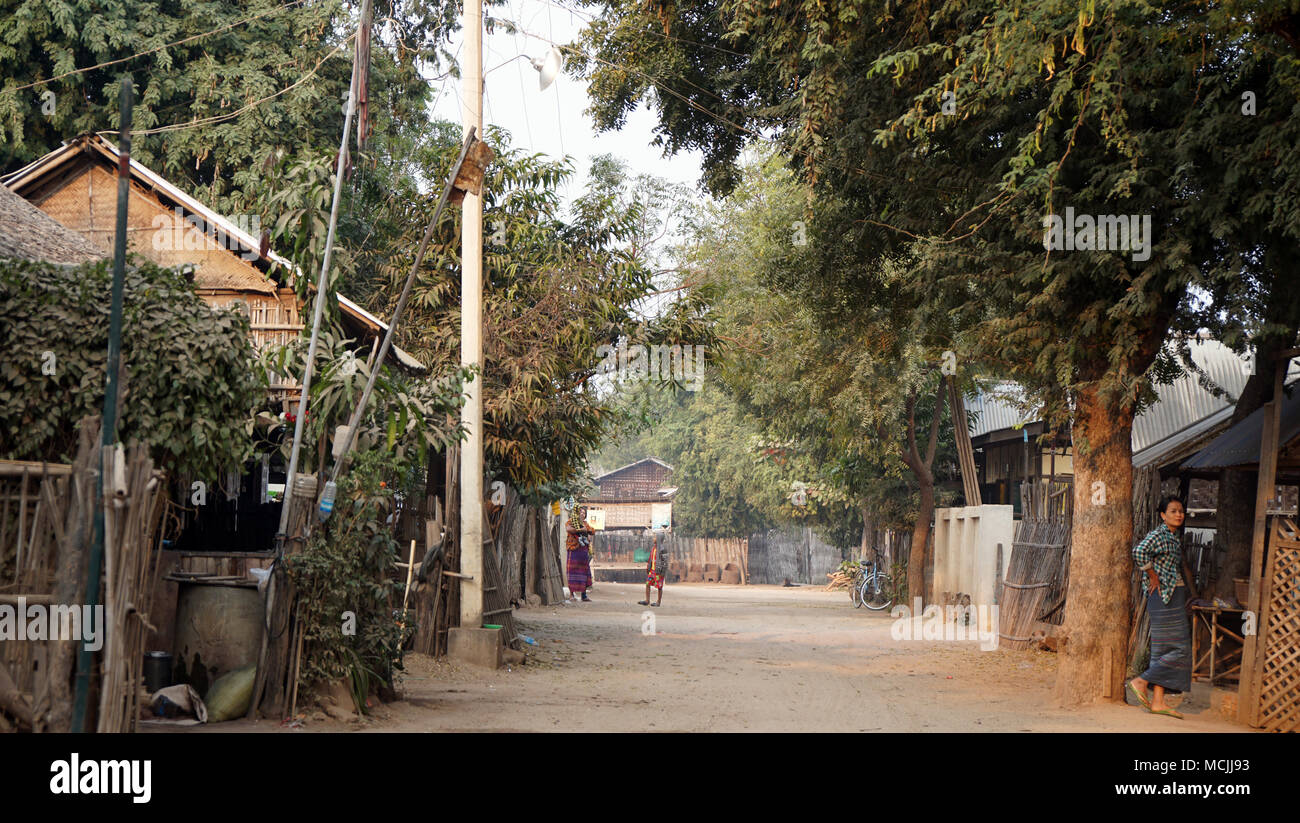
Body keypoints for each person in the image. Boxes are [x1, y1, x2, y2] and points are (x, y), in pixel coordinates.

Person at [1128, 495, 1192, 719]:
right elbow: (1138, 551)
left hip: (1172, 595)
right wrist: (1152, 575)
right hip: (1164, 597)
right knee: (1180, 649)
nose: (1179, 514)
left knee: (1164, 649)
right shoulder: (1159, 534)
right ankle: (1141, 680)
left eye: (1181, 511)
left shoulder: (1173, 537)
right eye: (1173, 511)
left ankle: (1158, 701)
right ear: (1163, 515)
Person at [565, 506, 594, 602]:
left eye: (584, 513)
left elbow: (592, 531)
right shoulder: (570, 522)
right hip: (573, 550)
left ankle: (584, 595)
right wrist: (582, 530)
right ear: (576, 514)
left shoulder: (585, 524)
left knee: (584, 572)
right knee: (572, 572)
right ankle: (571, 595)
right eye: (580, 512)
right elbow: (569, 529)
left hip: (583, 552)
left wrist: (588, 533)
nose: (582, 514)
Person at [638, 532, 667, 607]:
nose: (653, 538)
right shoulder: (653, 548)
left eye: (655, 537)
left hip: (659, 572)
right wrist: (649, 567)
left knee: (659, 587)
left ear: (659, 539)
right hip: (652, 571)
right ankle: (647, 600)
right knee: (648, 584)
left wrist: (662, 572)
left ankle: (658, 602)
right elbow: (651, 559)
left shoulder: (663, 549)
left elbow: (665, 562)